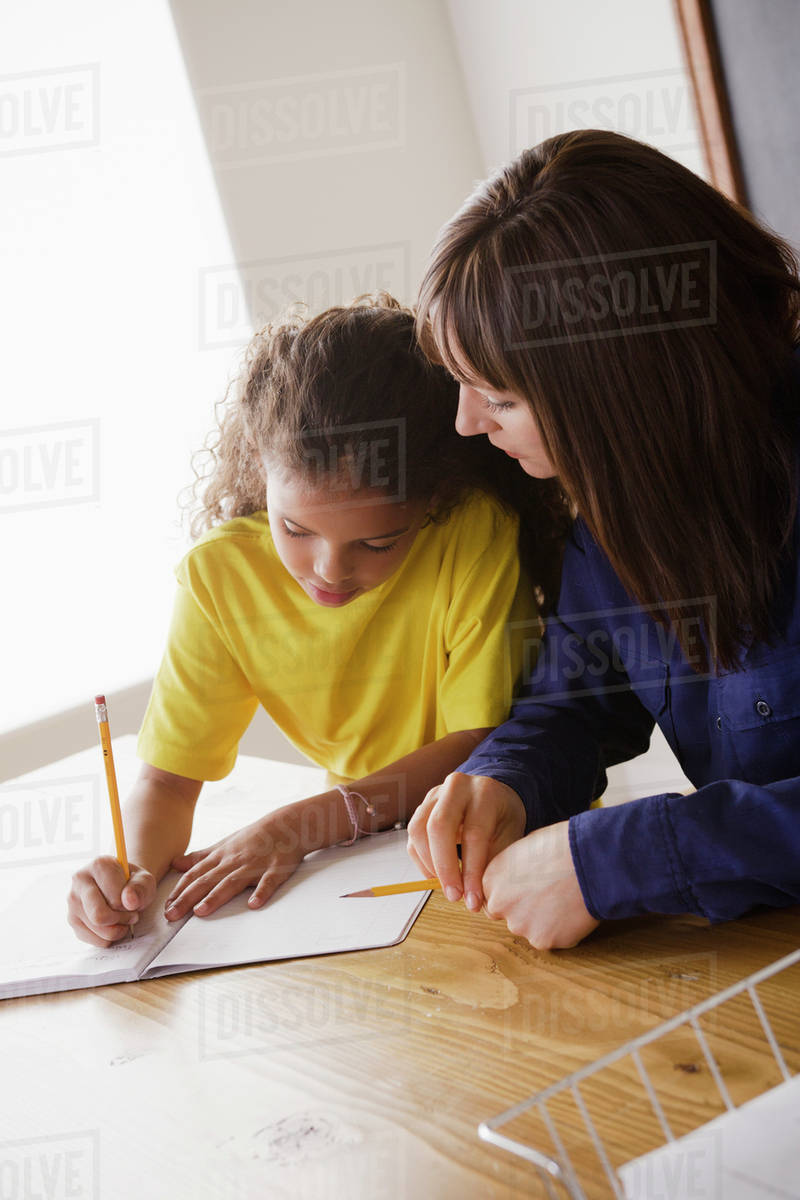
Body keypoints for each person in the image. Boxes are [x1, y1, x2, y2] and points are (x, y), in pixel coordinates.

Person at [68, 294, 568, 947]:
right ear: (260, 466)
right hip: (358, 862)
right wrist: (129, 871)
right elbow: (166, 781)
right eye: (296, 529)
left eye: (378, 543)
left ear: (435, 497)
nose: (329, 570)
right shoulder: (219, 578)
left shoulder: (473, 533)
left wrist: (298, 827)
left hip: (503, 847)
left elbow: (476, 743)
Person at [407, 129, 800, 949]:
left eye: (498, 396)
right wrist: (502, 779)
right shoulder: (625, 503)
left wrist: (622, 858)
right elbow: (578, 698)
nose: (466, 423)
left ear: (617, 382)